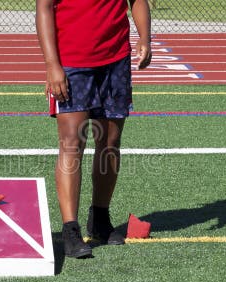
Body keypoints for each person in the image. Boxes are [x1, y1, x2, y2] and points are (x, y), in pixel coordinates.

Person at [35, 0, 152, 258]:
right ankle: (70, 230)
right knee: (72, 143)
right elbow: (43, 8)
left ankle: (100, 217)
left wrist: (145, 37)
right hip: (71, 61)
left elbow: (138, 1)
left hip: (115, 59)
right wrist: (52, 65)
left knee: (110, 142)